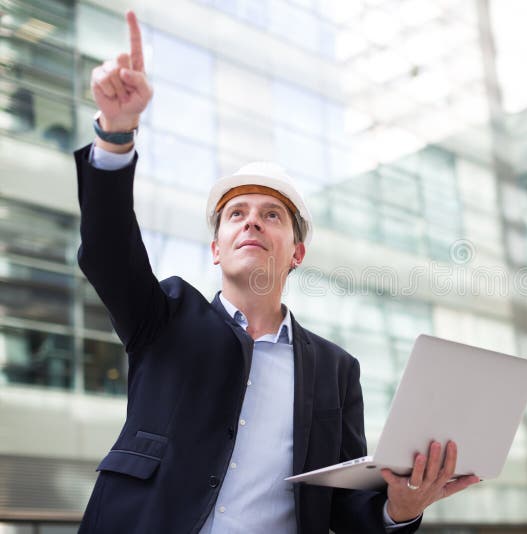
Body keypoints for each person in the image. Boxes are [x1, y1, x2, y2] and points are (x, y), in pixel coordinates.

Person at [75, 10, 479, 534]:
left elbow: (343, 512)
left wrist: (399, 507)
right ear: (216, 249)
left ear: (297, 253)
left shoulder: (337, 371)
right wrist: (116, 134)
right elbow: (107, 249)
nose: (252, 224)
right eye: (236, 215)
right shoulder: (165, 319)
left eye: (272, 216)